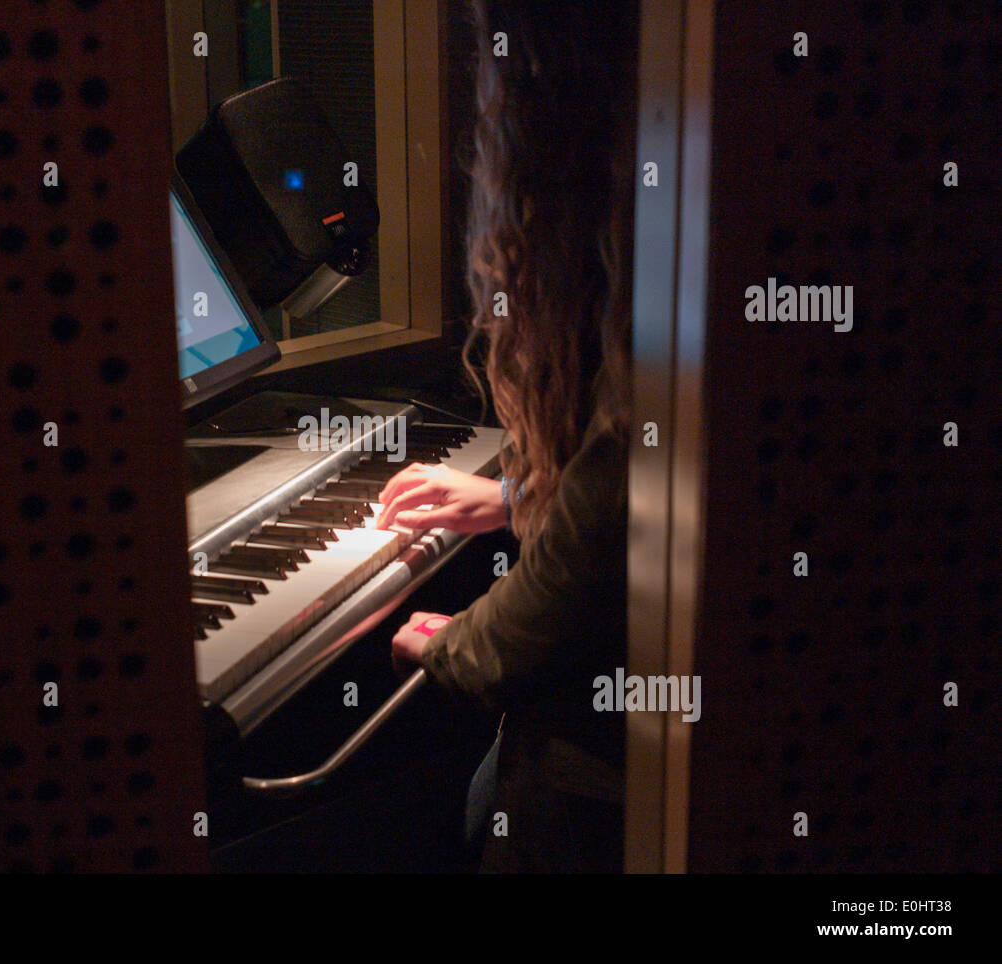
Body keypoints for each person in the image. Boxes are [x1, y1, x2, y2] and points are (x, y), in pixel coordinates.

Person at [376, 0, 638, 872]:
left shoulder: (660, 289)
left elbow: (592, 564)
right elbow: (625, 490)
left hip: (615, 767)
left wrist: (452, 646)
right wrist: (516, 496)